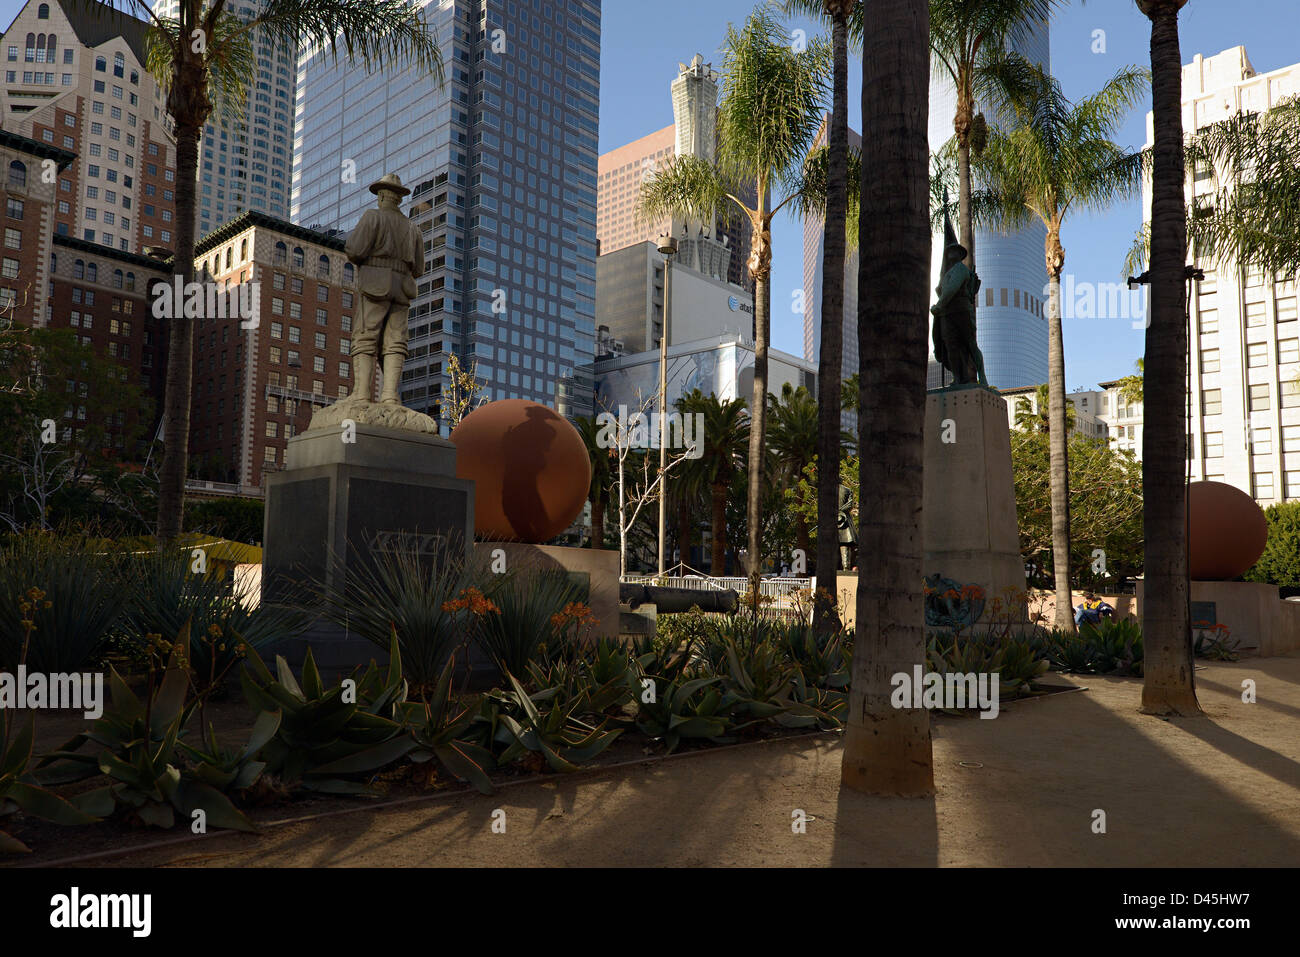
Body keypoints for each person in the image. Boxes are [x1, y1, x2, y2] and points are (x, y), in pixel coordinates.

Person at [345, 172, 424, 405]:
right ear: (398, 199)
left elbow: (355, 250)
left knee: (365, 336)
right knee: (396, 340)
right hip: (402, 288)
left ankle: (362, 394)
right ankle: (389, 395)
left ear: (381, 196)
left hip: (375, 283)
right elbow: (418, 268)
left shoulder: (373, 217)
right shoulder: (413, 228)